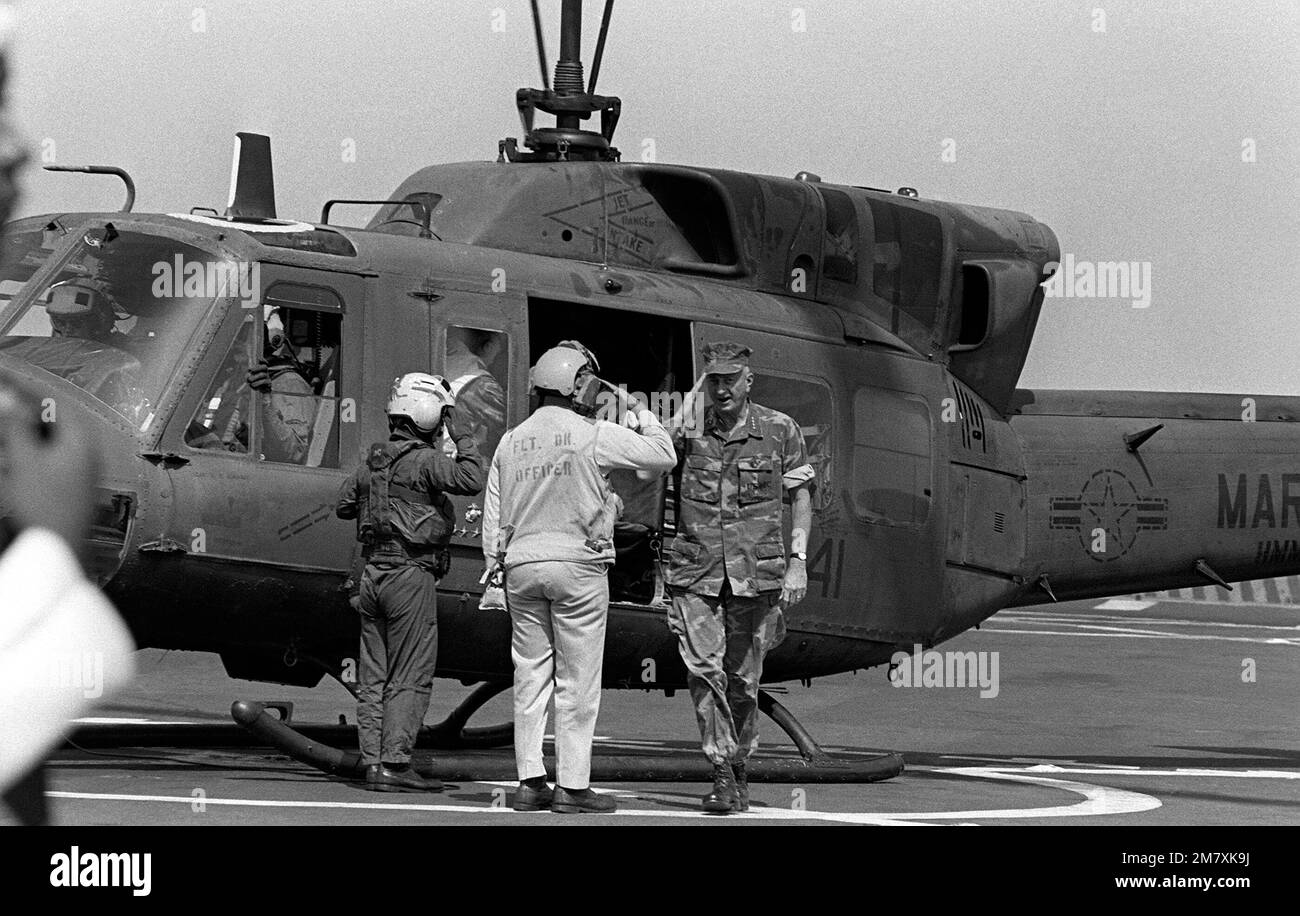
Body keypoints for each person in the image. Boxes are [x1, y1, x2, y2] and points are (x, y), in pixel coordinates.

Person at [481, 341, 676, 813]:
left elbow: (494, 513)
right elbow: (662, 454)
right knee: (578, 681)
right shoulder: (592, 432)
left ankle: (529, 782)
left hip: (522, 569)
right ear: (579, 385)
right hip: (577, 568)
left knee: (530, 677)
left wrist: (495, 573)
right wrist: (635, 407)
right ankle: (572, 786)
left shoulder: (511, 440)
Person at [665, 341, 815, 814]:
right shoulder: (689, 429)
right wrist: (697, 390)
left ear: (750, 381)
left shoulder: (779, 430)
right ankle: (722, 772)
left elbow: (802, 496)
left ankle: (741, 767)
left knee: (743, 682)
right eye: (715, 380)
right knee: (703, 671)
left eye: (731, 379)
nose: (722, 389)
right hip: (696, 573)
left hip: (757, 576)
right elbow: (659, 447)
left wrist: (798, 559)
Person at [335, 372, 485, 792]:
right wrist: (462, 429)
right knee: (410, 673)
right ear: (430, 416)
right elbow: (473, 479)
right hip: (408, 577)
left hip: (371, 579)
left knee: (374, 676)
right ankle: (396, 763)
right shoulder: (427, 463)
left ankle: (372, 762)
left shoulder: (372, 465)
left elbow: (344, 506)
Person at [248, 307, 315, 463]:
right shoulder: (254, 380)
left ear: (272, 339)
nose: (236, 344)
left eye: (243, 337)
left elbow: (295, 450)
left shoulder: (290, 384)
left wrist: (265, 404)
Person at [444, 326, 506, 458]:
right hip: (456, 464)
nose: (494, 360)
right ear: (489, 347)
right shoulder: (483, 385)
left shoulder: (448, 361)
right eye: (497, 353)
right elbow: (511, 422)